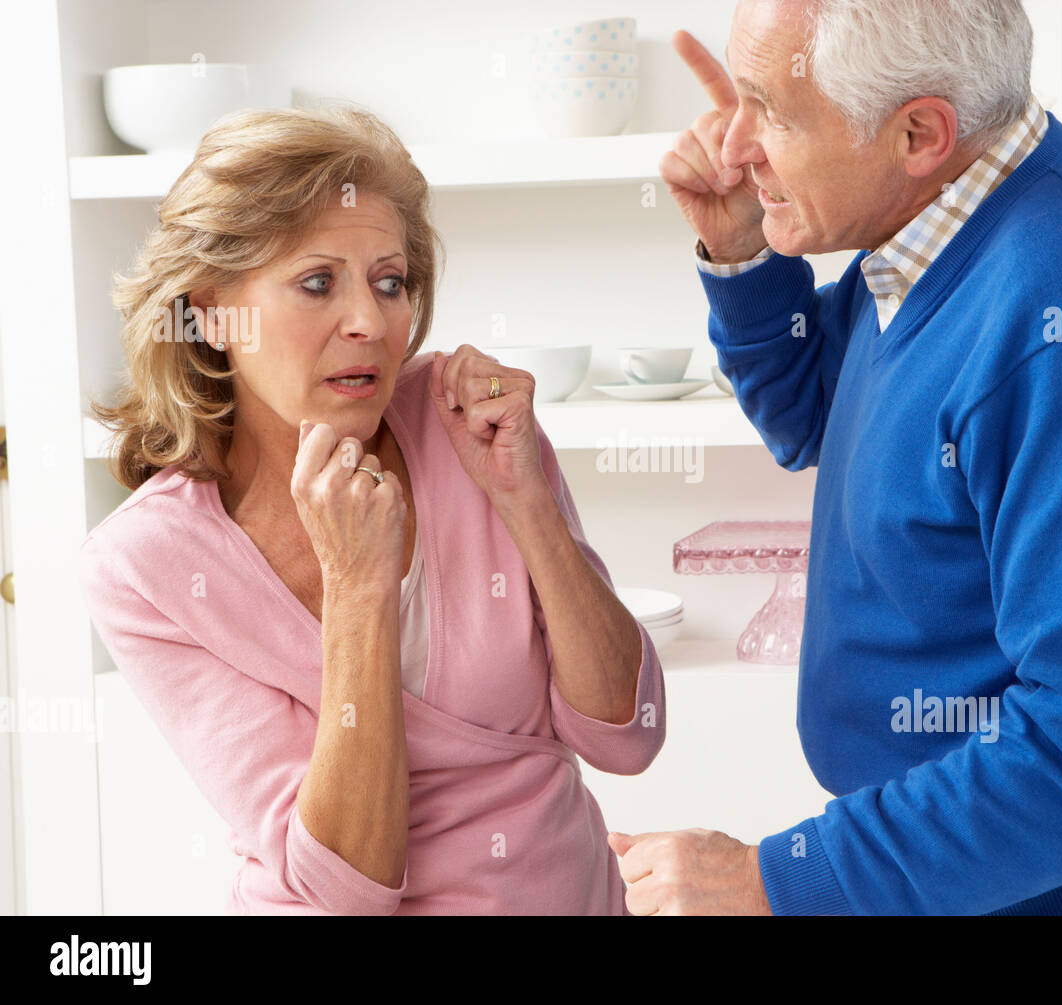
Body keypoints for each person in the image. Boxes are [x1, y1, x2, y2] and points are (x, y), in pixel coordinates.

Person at [609, 0, 1062, 916]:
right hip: (986, 876)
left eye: (769, 111)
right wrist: (741, 251)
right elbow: (817, 416)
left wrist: (775, 879)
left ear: (919, 132)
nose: (731, 146)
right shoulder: (947, 222)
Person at [77, 102, 665, 915]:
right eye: (318, 282)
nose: (369, 322)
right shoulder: (145, 564)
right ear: (211, 311)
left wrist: (527, 503)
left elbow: (628, 733)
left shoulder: (469, 424)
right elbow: (348, 884)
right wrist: (360, 587)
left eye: (390, 283)